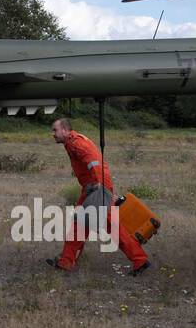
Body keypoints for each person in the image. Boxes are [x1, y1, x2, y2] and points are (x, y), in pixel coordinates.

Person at [47, 117, 150, 275]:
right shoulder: (71, 142)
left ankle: (139, 260)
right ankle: (66, 261)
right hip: (91, 188)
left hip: (97, 188)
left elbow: (94, 162)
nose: (52, 133)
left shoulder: (76, 143)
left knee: (94, 225)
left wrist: (102, 189)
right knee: (88, 224)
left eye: (55, 130)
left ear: (65, 130)